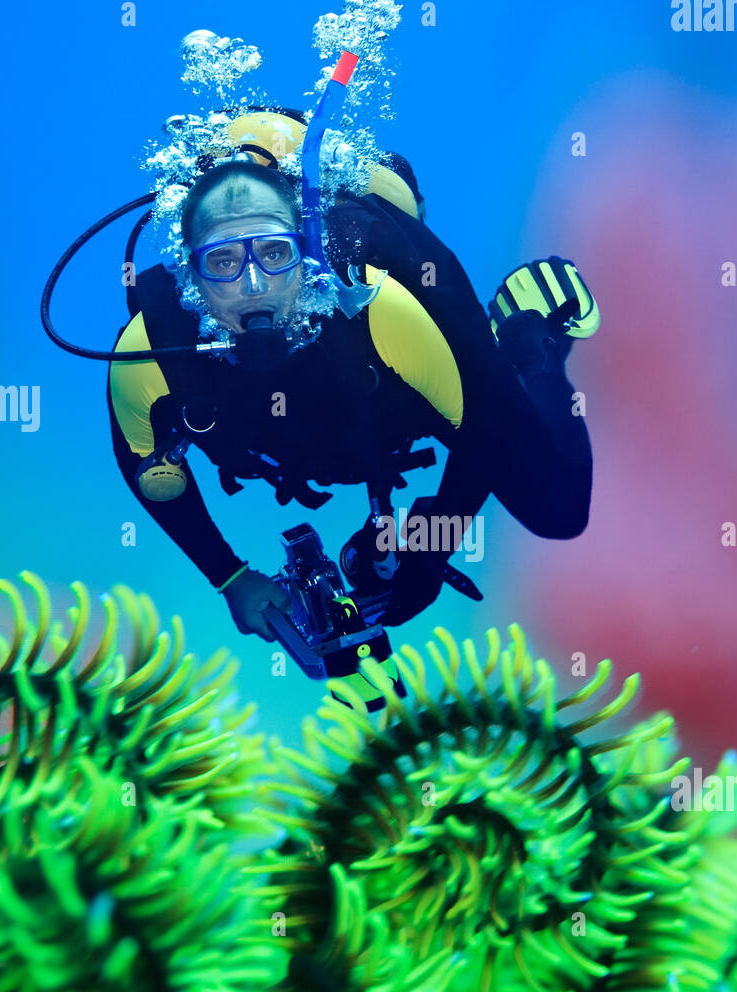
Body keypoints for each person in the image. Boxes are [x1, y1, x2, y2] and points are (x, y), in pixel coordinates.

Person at [107, 107, 599, 641]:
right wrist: (231, 579)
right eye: (223, 261)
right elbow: (142, 464)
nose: (253, 286)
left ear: (308, 252)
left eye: (275, 253)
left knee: (559, 510)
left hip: (398, 391)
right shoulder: (149, 350)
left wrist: (434, 543)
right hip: (335, 427)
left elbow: (488, 423)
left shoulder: (380, 305)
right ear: (190, 274)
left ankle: (532, 339)